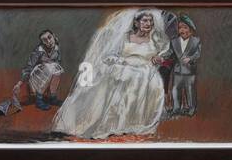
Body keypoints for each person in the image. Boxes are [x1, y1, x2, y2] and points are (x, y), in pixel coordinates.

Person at [51, 10, 169, 139]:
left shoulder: (155, 39)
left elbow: (158, 56)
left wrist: (157, 59)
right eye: (145, 20)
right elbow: (110, 55)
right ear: (136, 22)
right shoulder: (124, 37)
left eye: (150, 21)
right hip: (125, 68)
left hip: (145, 71)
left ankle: (133, 122)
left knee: (150, 81)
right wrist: (123, 62)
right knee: (119, 80)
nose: (148, 24)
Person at [153, 15, 200, 117]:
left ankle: (191, 109)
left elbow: (197, 54)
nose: (182, 30)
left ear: (191, 30)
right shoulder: (174, 41)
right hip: (177, 71)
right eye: (180, 28)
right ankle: (176, 108)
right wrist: (161, 58)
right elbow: (170, 52)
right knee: (175, 90)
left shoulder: (196, 41)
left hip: (189, 71)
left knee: (189, 90)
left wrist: (190, 59)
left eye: (185, 27)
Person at [15, 29, 65, 110]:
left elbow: (57, 63)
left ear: (53, 36)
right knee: (49, 67)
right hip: (36, 78)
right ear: (42, 42)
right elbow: (29, 66)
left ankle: (53, 97)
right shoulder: (39, 50)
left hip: (49, 75)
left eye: (50, 37)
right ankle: (39, 100)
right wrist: (19, 84)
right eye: (45, 40)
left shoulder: (56, 48)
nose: (48, 41)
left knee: (57, 68)